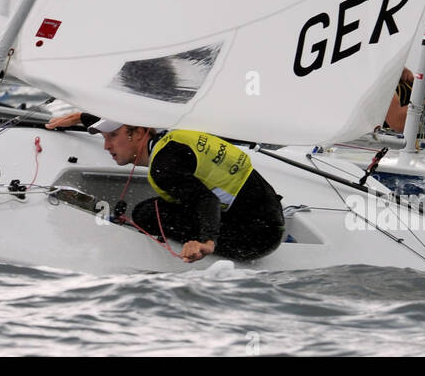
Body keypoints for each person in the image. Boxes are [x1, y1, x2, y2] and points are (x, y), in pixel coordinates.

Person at [46, 112, 285, 263]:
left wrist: (206, 241)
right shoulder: (171, 134)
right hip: (266, 213)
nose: (106, 145)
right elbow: (130, 118)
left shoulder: (164, 167)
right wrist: (81, 117)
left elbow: (207, 200)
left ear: (139, 132)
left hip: (254, 239)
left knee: (147, 213)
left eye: (112, 136)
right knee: (157, 205)